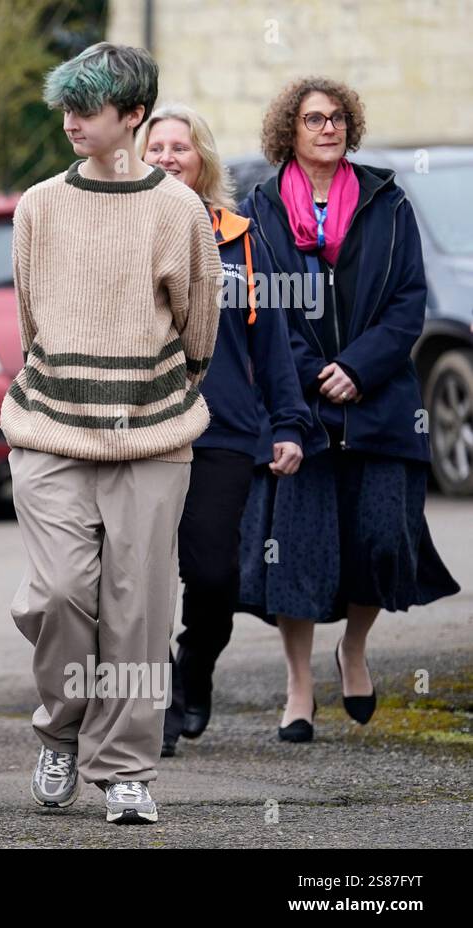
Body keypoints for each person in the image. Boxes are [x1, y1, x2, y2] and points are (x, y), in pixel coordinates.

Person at [6, 43, 221, 824]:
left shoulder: (178, 207)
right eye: (65, 107)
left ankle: (126, 767)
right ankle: (60, 731)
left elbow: (201, 327)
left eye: (87, 109)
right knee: (61, 592)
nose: (71, 122)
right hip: (50, 426)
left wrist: (155, 395)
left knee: (138, 608)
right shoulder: (38, 204)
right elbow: (33, 317)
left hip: (154, 434)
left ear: (133, 115)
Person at [237, 77, 460, 742]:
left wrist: (358, 368)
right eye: (313, 119)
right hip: (298, 406)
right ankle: (299, 683)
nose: (327, 128)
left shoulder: (388, 203)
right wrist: (311, 374)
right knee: (298, 555)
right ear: (291, 131)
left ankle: (353, 648)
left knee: (383, 541)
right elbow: (264, 304)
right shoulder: (264, 206)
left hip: (380, 403)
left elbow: (408, 301)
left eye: (336, 117)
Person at [139, 105, 312, 757]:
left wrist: (290, 422)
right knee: (145, 579)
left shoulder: (240, 239)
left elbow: (271, 343)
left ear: (202, 158)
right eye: (155, 147)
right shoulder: (126, 230)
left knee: (213, 579)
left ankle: (196, 669)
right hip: (144, 433)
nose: (166, 158)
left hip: (225, 433)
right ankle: (158, 706)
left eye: (179, 147)